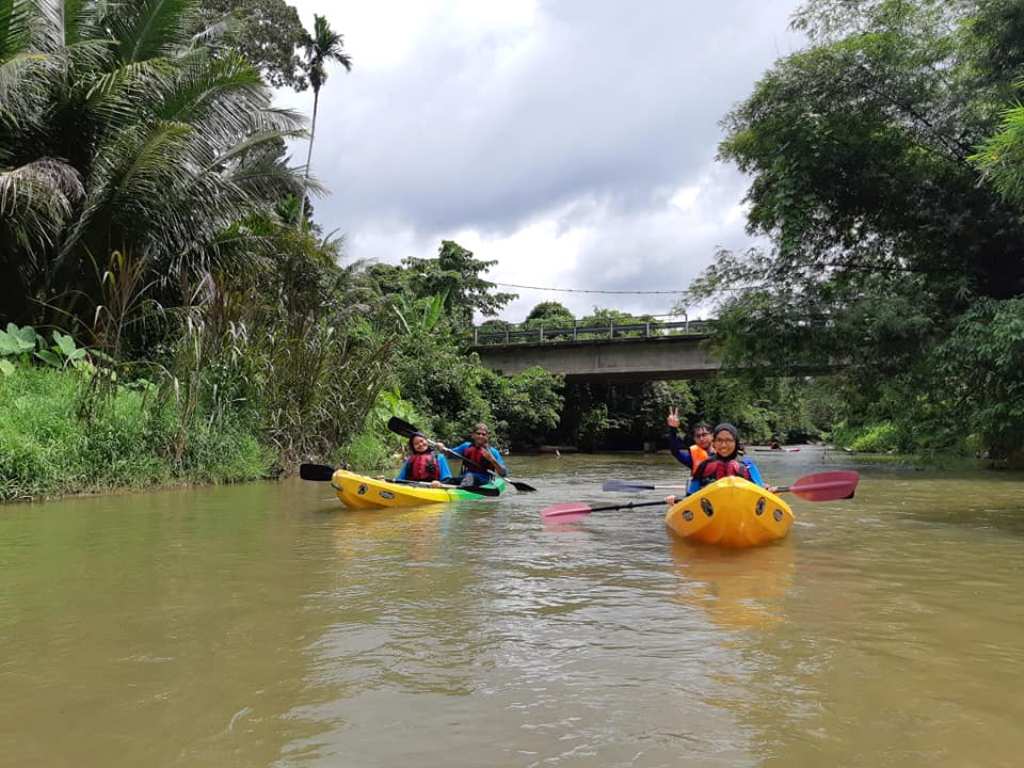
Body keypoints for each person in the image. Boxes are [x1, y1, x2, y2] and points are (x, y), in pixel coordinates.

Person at [665, 423, 773, 504]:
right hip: (710, 509)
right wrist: (676, 501)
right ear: (714, 442)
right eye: (719, 441)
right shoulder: (704, 465)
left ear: (736, 442)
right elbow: (690, 496)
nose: (724, 445)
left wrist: (767, 490)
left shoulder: (747, 464)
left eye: (729, 440)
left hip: (742, 507)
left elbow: (761, 491)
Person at [438, 422, 508, 487]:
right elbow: (449, 454)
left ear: (487, 436)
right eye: (478, 433)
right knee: (440, 458)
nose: (481, 436)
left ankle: (462, 489)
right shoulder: (466, 446)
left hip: (484, 480)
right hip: (464, 478)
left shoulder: (493, 452)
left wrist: (492, 460)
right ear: (473, 435)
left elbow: (503, 473)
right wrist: (442, 448)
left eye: (483, 434)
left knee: (470, 476)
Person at [666, 408, 711, 477]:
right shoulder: (692, 458)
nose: (701, 439)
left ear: (712, 436)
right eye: (698, 436)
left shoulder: (723, 453)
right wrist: (673, 429)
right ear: (694, 439)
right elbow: (675, 451)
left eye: (704, 435)